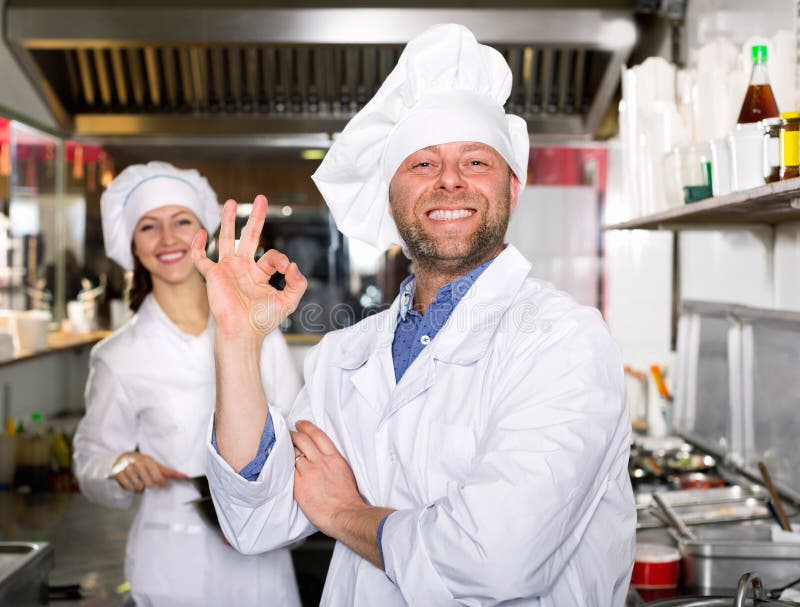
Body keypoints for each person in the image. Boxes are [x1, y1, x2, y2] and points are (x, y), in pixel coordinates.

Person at [197, 24, 636, 606]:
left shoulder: (564, 341)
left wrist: (347, 513)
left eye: (475, 160)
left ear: (514, 184)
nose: (449, 179)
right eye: (423, 164)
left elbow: (494, 559)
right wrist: (236, 341)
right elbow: (259, 521)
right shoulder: (347, 355)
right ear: (391, 194)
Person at [72, 162, 302, 607]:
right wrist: (118, 466)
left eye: (182, 222)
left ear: (206, 233)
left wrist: (273, 520)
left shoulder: (258, 331)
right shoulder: (118, 357)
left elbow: (298, 437)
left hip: (260, 555)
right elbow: (89, 461)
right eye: (149, 227)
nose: (168, 239)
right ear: (131, 244)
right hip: (170, 562)